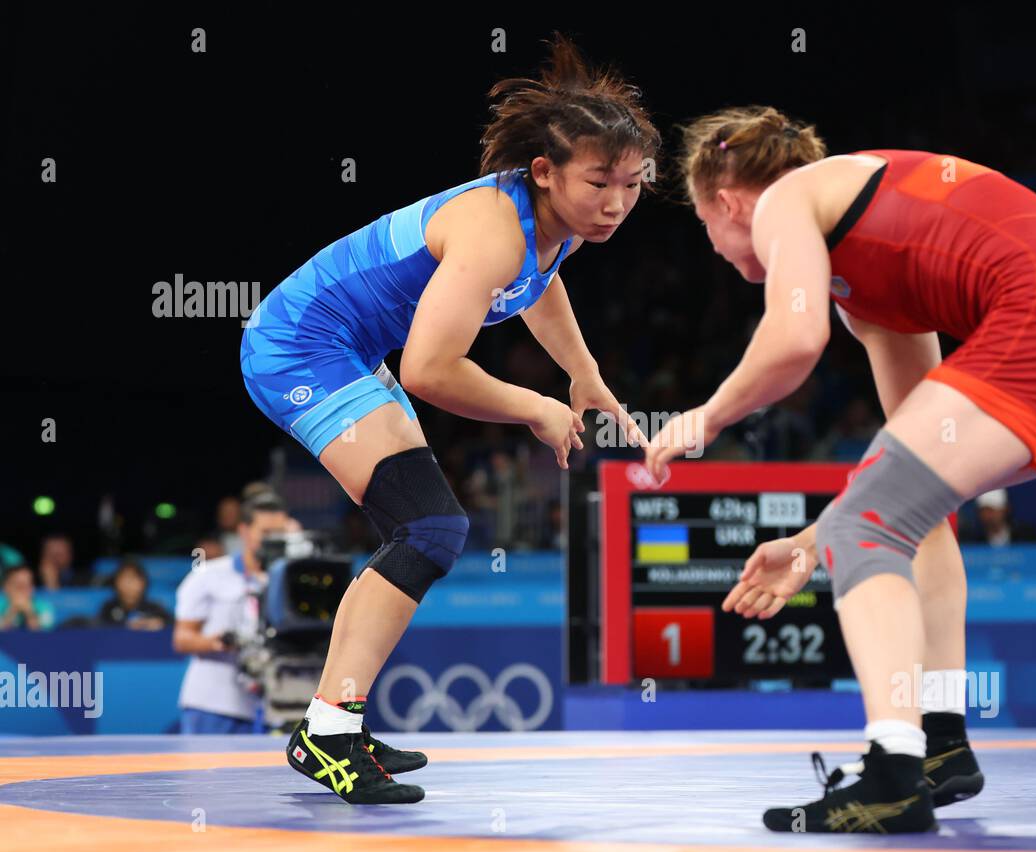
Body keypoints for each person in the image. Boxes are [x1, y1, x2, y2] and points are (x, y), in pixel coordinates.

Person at [647, 107, 1036, 834]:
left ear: (725, 200)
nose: (717, 249)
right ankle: (939, 745)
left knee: (875, 521)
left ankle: (891, 771)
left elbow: (793, 338)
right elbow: (903, 475)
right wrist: (809, 544)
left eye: (707, 227)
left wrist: (706, 416)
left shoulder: (783, 198)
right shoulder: (868, 280)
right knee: (906, 514)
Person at [240, 36, 656, 803]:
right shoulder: (493, 229)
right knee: (429, 529)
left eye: (633, 184)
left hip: (350, 347)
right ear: (545, 172)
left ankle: (337, 722)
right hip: (299, 346)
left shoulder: (551, 224)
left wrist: (584, 375)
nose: (616, 203)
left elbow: (541, 282)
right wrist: (535, 405)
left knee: (424, 530)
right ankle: (327, 732)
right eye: (599, 182)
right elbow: (431, 372)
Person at [172, 495, 291, 734]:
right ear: (244, 531)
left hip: (272, 708)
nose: (274, 541)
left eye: (280, 533)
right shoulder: (207, 575)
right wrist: (218, 642)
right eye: (266, 533)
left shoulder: (291, 581)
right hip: (214, 705)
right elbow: (182, 638)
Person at [96, 559, 171, 631]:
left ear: (143, 582)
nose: (129, 584)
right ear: (116, 582)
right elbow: (97, 628)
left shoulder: (154, 609)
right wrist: (126, 625)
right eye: (125, 578)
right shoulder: (108, 608)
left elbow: (172, 625)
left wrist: (159, 623)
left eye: (133, 578)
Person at [0, 565, 55, 631]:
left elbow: (45, 633)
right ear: (6, 588)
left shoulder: (43, 606)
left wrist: (29, 613)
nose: (25, 590)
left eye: (28, 585)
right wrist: (12, 612)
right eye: (20, 586)